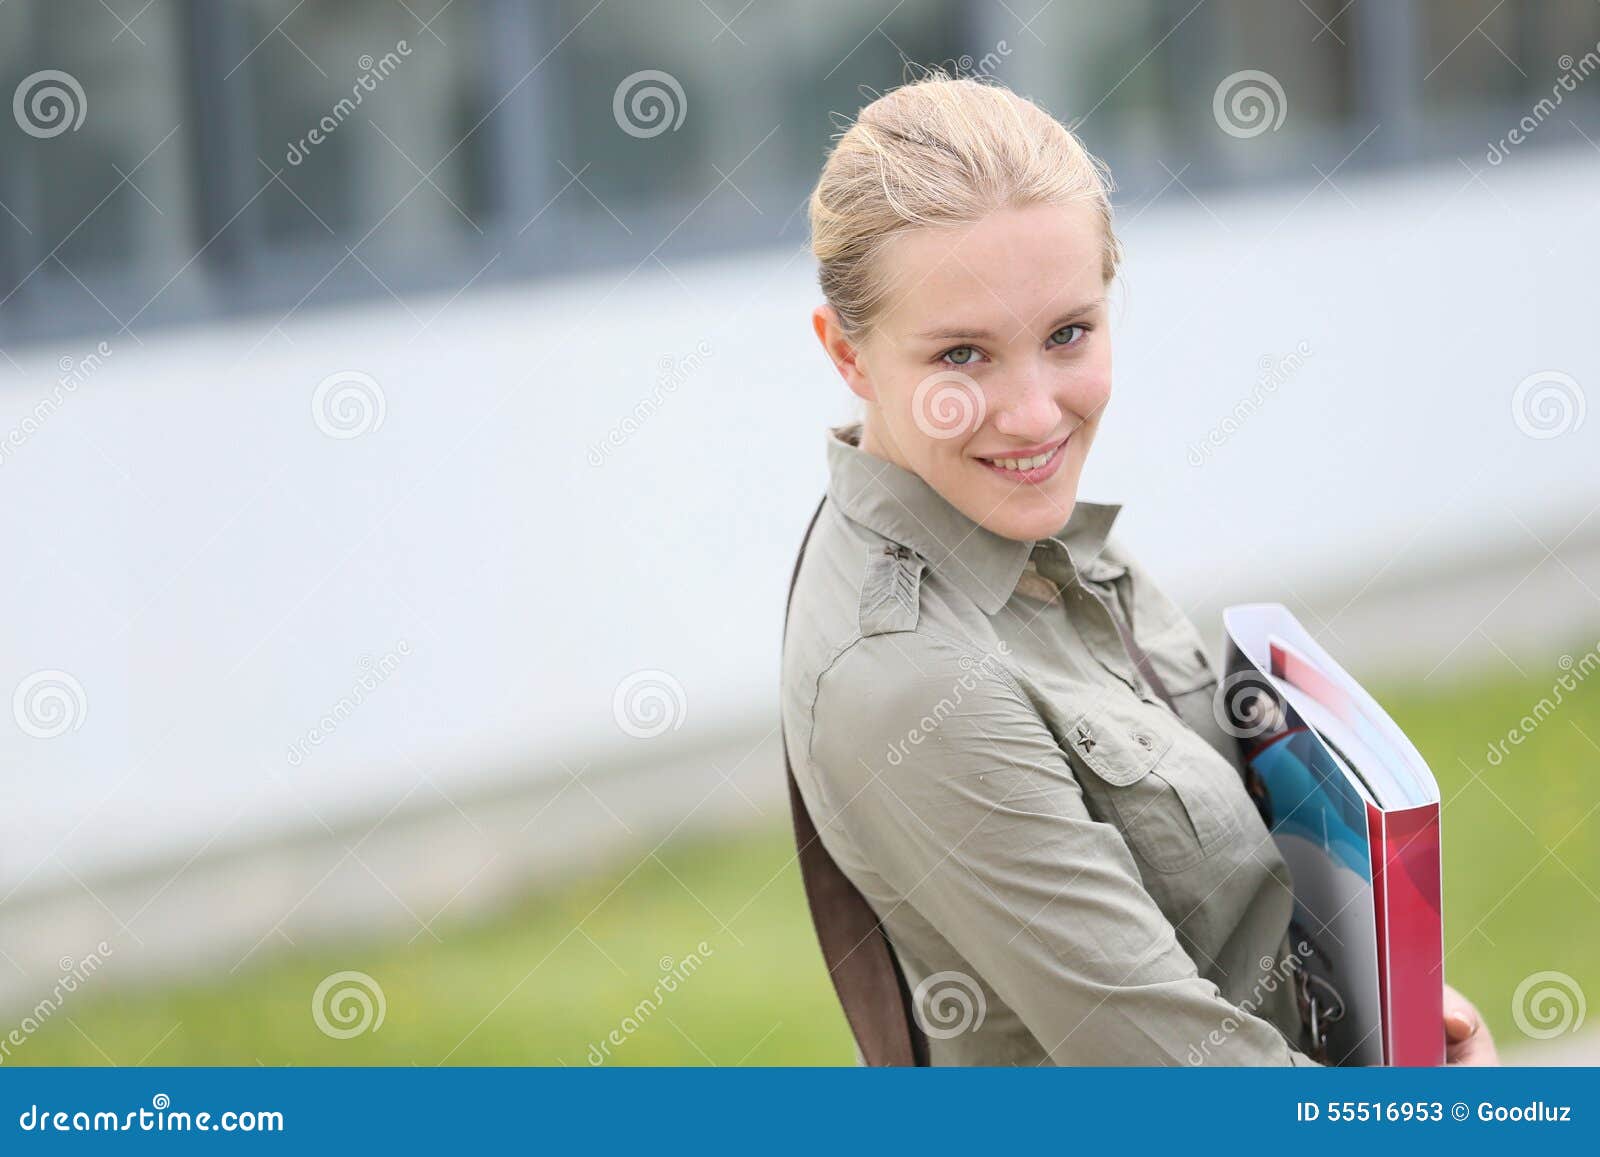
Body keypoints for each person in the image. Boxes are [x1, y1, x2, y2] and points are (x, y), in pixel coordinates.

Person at [779, 71, 1497, 1067]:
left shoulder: (1020, 526)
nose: (1035, 415)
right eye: (961, 357)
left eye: (1066, 333)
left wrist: (1388, 1003)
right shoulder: (911, 676)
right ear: (848, 356)